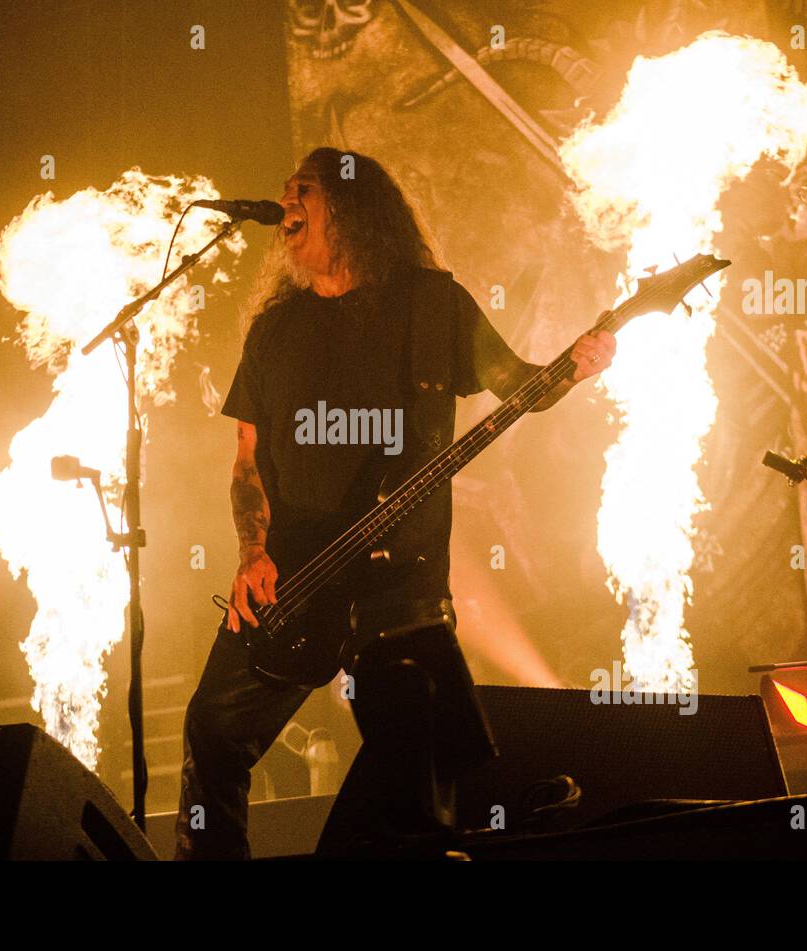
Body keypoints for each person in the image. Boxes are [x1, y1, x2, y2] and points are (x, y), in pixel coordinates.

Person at [175, 147, 615, 859]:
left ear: (351, 207)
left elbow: (522, 386)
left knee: (410, 775)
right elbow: (247, 462)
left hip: (397, 585)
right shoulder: (274, 329)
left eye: (303, 191)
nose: (286, 199)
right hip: (292, 579)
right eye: (286, 189)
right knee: (211, 733)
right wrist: (251, 552)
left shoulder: (432, 306)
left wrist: (580, 362)